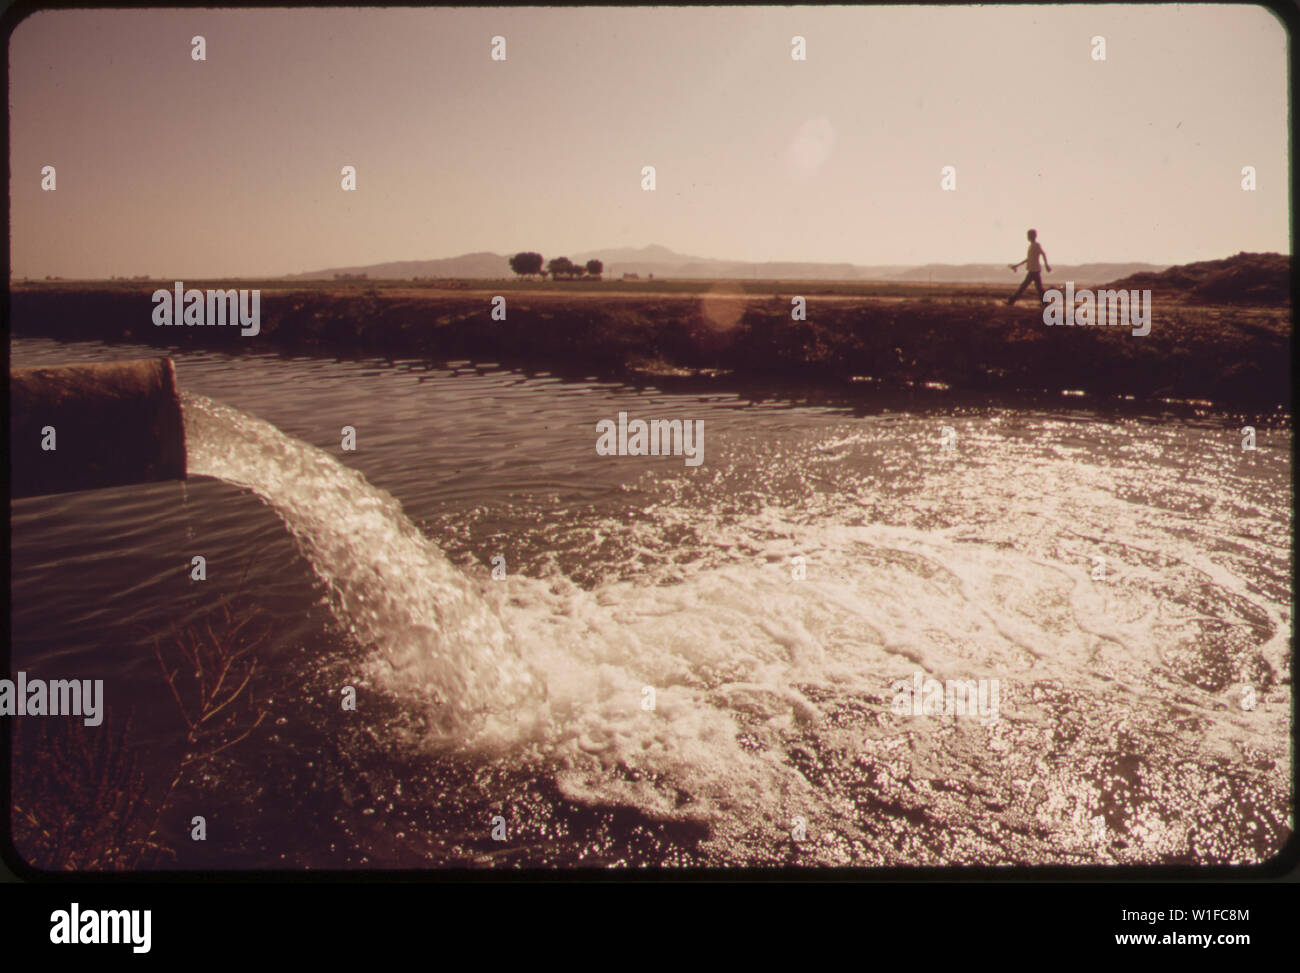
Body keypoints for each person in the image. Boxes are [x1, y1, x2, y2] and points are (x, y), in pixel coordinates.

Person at [1007, 229, 1051, 304]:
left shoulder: (1036, 245)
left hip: (1034, 271)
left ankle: (1011, 301)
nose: (1028, 237)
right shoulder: (1031, 246)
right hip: (1033, 270)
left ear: (1033, 236)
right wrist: (1017, 265)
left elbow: (1043, 254)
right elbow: (1028, 259)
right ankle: (1045, 303)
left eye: (1029, 235)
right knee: (1038, 288)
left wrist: (1046, 265)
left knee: (1023, 287)